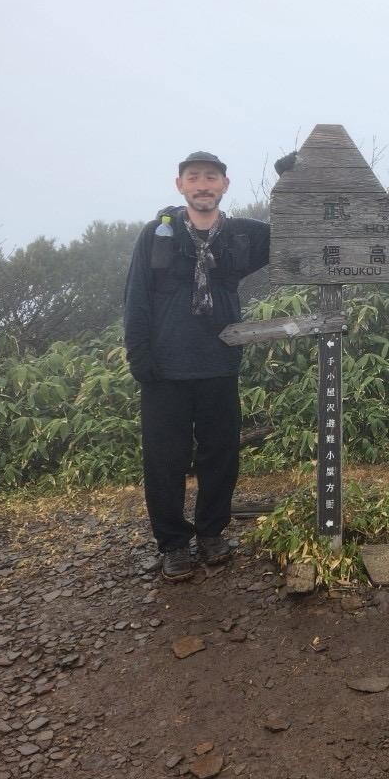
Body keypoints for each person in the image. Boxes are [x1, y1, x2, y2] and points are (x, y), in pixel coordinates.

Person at [124, 152, 270, 581]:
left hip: (220, 361)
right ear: (180, 185)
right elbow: (136, 297)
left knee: (220, 456)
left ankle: (211, 534)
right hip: (164, 369)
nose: (203, 185)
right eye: (194, 178)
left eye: (211, 178)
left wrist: (289, 181)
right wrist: (139, 354)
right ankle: (172, 544)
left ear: (225, 184)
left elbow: (295, 231)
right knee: (164, 460)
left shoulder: (241, 235)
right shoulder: (157, 235)